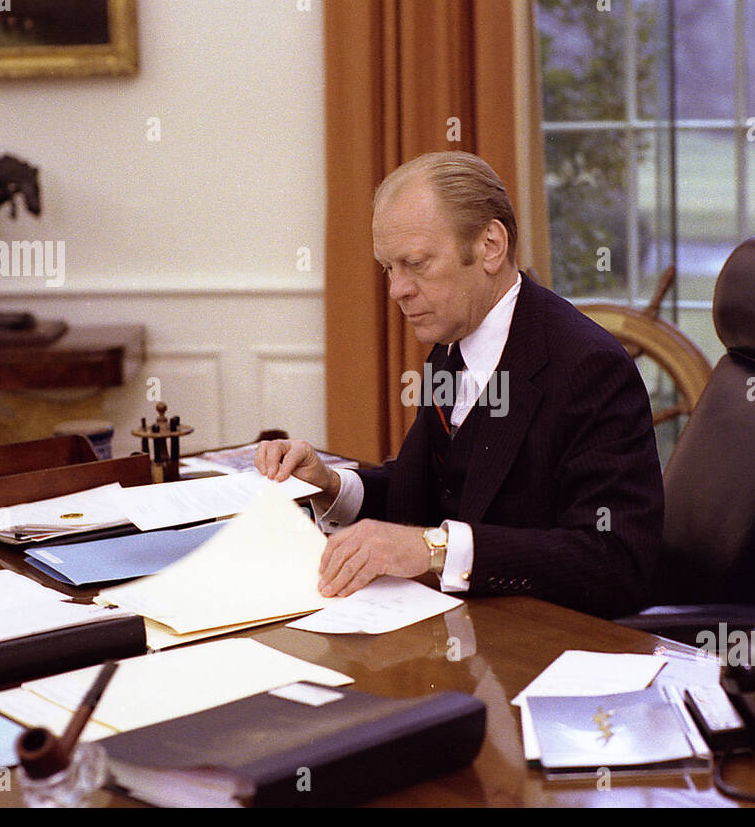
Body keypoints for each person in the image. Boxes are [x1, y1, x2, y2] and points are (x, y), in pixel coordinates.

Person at [256, 151, 663, 619]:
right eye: (389, 268)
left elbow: (617, 562)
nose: (397, 290)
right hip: (467, 633)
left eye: (416, 264)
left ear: (490, 245)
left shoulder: (589, 367)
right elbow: (430, 491)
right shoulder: (451, 346)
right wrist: (331, 486)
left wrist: (436, 549)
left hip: (548, 650)